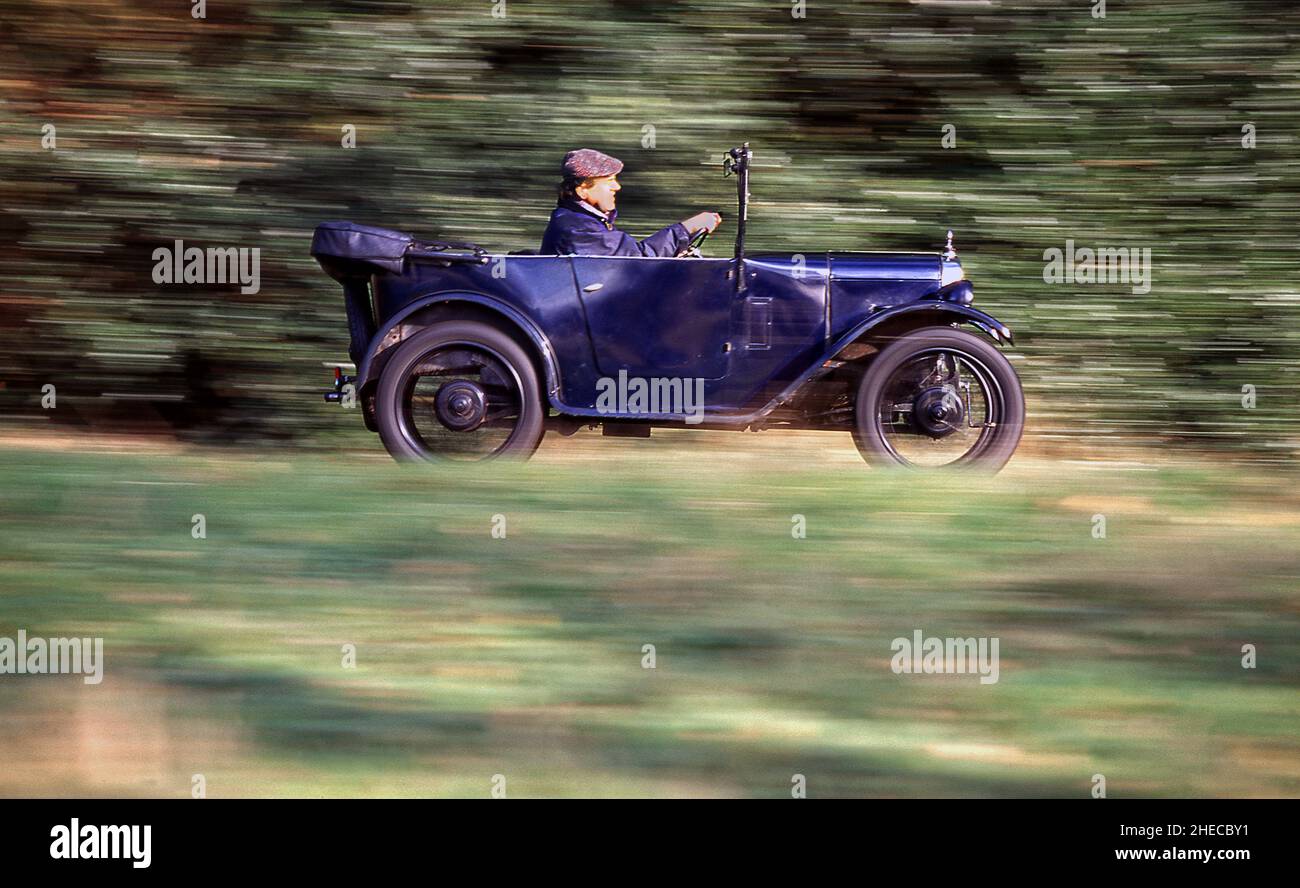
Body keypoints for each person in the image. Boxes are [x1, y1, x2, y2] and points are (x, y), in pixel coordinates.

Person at [540, 148, 721, 256]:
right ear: (583, 190)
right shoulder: (578, 228)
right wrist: (688, 227)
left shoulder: (583, 222)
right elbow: (638, 259)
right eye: (609, 181)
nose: (617, 187)